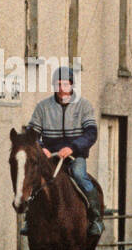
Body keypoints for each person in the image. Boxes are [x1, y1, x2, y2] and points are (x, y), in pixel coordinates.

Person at [25, 66, 105, 237]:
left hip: (74, 156)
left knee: (79, 176)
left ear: (72, 85)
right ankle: (28, 220)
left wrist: (72, 148)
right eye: (58, 84)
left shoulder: (83, 106)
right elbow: (31, 133)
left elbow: (91, 133)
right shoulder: (43, 107)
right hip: (50, 157)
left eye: (65, 84)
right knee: (33, 178)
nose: (62, 88)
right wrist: (42, 148)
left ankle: (96, 219)